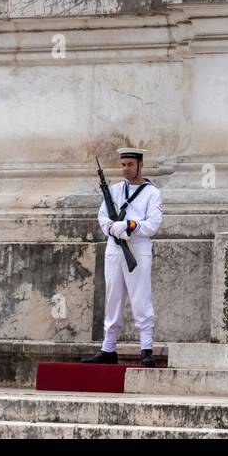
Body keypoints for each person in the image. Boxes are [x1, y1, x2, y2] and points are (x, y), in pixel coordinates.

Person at [84, 147, 163, 367]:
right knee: (113, 297)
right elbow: (102, 217)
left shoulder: (152, 193)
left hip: (137, 248)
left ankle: (146, 349)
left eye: (130, 164)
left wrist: (129, 226)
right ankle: (108, 348)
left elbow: (153, 224)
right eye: (123, 165)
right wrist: (114, 229)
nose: (126, 169)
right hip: (114, 248)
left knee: (140, 298)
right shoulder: (116, 190)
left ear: (140, 165)